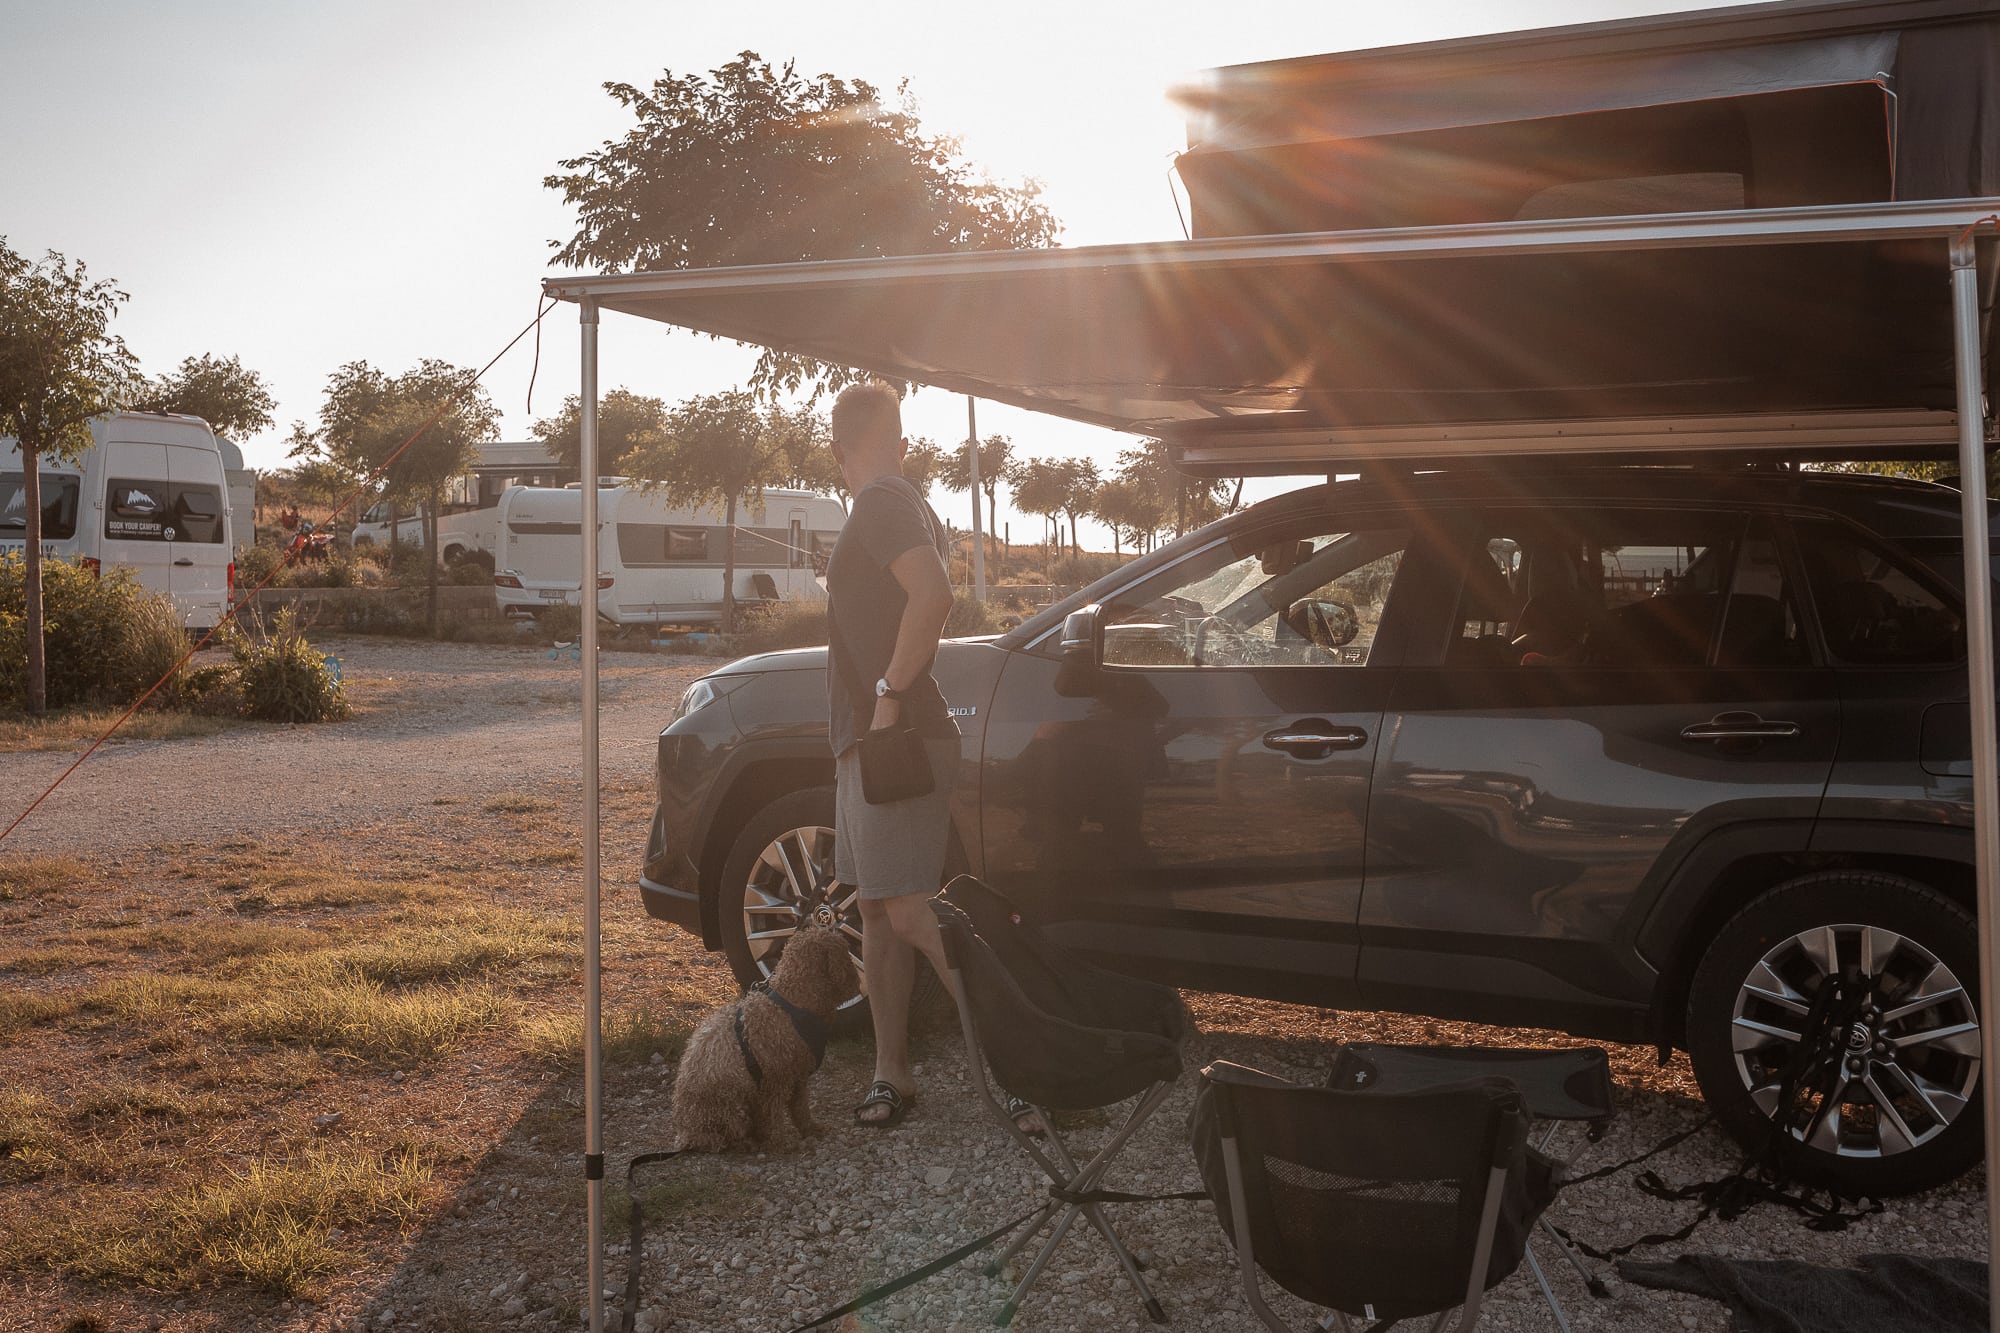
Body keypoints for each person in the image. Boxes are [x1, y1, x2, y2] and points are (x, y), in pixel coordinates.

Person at [822, 381, 959, 1129]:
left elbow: (934, 597)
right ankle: (892, 1074)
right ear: (902, 440)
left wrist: (888, 694)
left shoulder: (879, 501)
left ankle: (1022, 1064)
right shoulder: (897, 499)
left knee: (908, 908)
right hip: (869, 739)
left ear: (837, 451)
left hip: (895, 735)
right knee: (877, 909)